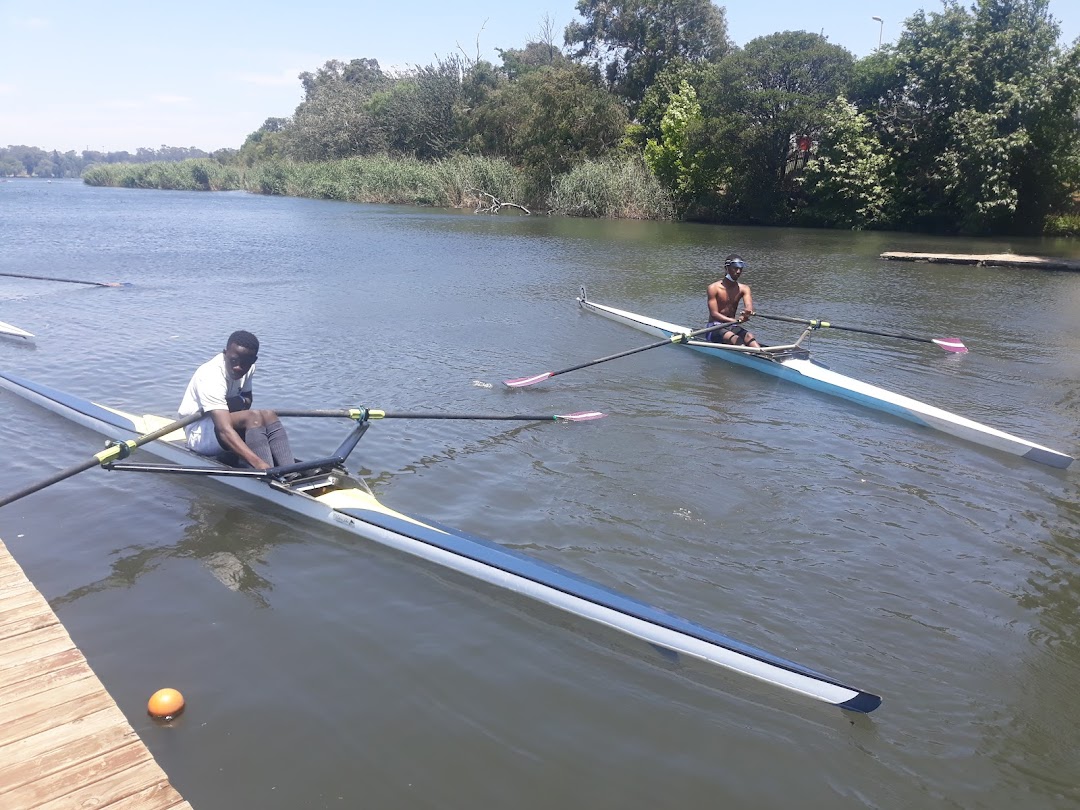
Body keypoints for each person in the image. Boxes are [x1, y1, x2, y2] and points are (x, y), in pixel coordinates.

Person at [178, 330, 294, 471]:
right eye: (233, 360)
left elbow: (248, 400)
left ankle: (290, 469)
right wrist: (259, 464)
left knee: (268, 414)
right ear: (225, 353)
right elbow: (224, 430)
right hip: (199, 433)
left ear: (253, 361)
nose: (238, 367)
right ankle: (268, 472)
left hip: (220, 421)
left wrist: (229, 404)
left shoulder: (249, 368)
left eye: (245, 363)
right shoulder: (211, 375)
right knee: (253, 417)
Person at [705, 254, 761, 348]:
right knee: (736, 339)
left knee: (749, 336)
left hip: (732, 326)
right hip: (714, 327)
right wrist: (734, 320)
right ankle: (747, 356)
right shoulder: (713, 288)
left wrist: (747, 313)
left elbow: (748, 306)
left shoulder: (744, 288)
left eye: (740, 269)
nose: (738, 271)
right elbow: (714, 313)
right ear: (727, 268)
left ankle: (765, 356)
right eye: (735, 268)